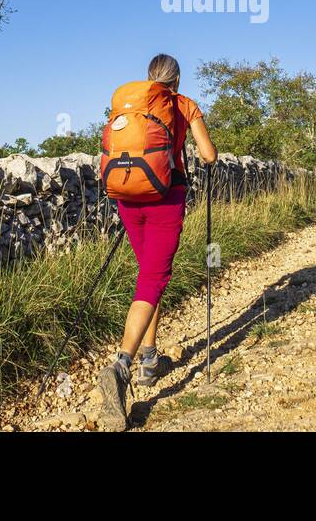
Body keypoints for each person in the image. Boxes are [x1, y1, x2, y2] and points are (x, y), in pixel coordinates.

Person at [98, 53, 217, 430]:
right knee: (153, 277)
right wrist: (205, 154)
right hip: (166, 196)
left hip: (128, 197)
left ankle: (150, 359)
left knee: (149, 274)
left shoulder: (134, 104)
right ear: (177, 80)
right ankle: (121, 366)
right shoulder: (184, 105)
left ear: (150, 79)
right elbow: (208, 154)